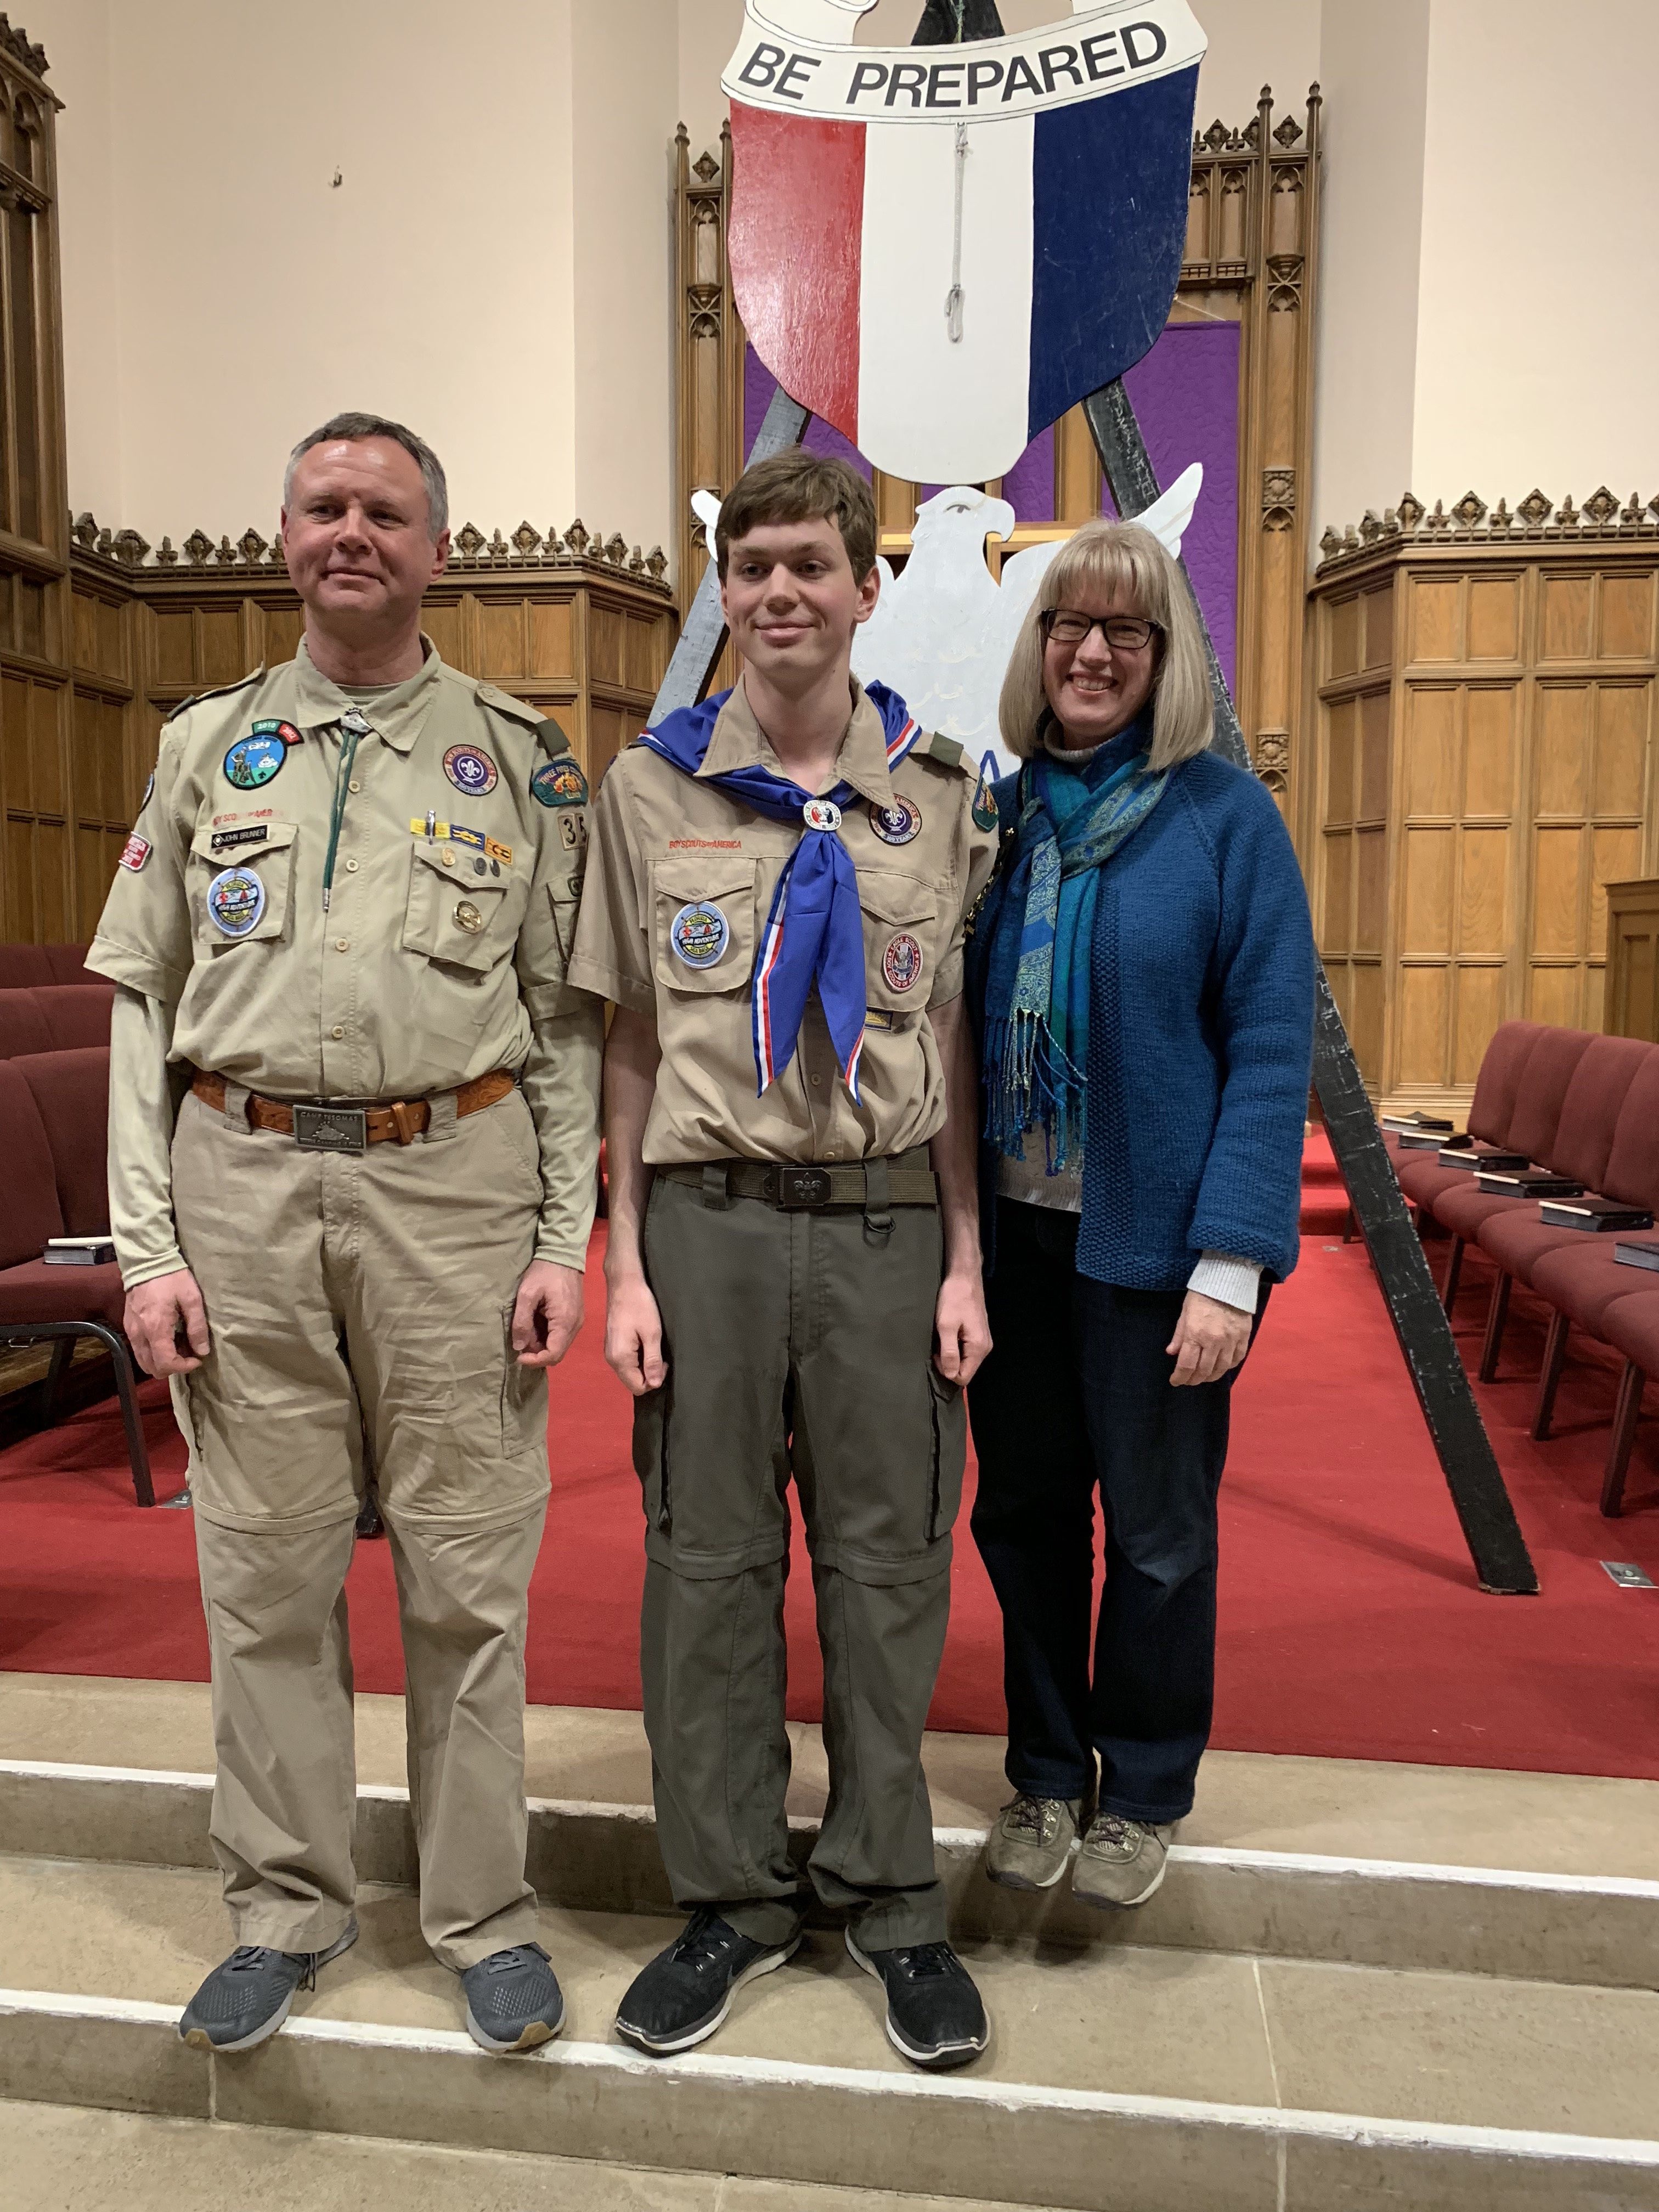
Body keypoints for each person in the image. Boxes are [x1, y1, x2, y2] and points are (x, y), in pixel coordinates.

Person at [86, 411, 603, 2058]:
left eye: (385, 510)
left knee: (469, 1579)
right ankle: (288, 1904)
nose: (351, 533)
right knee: (264, 1577)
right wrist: (147, 1248)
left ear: (437, 548)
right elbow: (141, 1009)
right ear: (287, 536)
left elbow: (564, 1028)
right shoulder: (201, 751)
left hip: (454, 1188)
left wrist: (560, 1242)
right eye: (324, 507)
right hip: (236, 1189)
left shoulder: (520, 761)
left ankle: (481, 1917)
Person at [567, 452, 997, 2071]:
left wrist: (965, 1260)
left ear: (867, 587)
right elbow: (620, 1034)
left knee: (889, 1572)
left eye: (811, 565)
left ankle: (892, 1899)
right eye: (752, 570)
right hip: (712, 1228)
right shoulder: (649, 789)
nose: (781, 595)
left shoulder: (939, 797)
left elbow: (948, 1044)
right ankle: (732, 1901)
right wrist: (624, 1263)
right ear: (726, 592)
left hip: (889, 1224)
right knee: (709, 1568)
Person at [965, 517, 1314, 1910]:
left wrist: (1233, 1263)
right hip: (1009, 1240)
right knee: (1027, 1517)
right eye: (1067, 625)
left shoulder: (1227, 820)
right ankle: (1049, 1773)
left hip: (1157, 1251)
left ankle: (1147, 1783)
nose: (1092, 652)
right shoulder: (994, 817)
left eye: (1125, 630)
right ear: (1038, 647)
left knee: (1161, 1535)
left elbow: (1271, 1044)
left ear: (1166, 657)